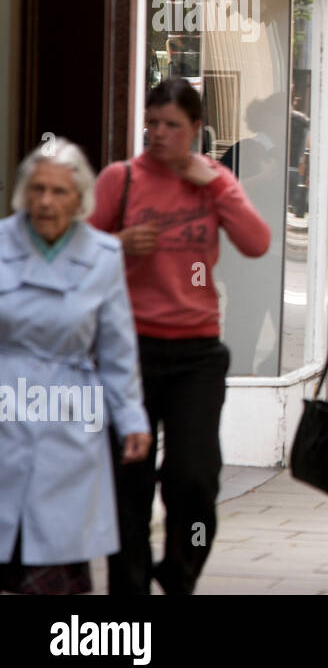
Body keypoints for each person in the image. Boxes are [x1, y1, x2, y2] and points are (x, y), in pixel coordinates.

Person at [89, 78, 271, 594]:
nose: (159, 134)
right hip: (130, 351)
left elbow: (257, 242)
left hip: (196, 352)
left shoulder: (212, 179)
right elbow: (78, 252)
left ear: (195, 129)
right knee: (130, 482)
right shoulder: (120, 180)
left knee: (194, 476)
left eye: (172, 125)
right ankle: (129, 590)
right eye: (152, 123)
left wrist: (213, 183)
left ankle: (179, 571)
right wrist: (118, 243)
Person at [0, 139, 152, 595]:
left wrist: (131, 419)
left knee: (58, 540)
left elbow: (117, 346)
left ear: (80, 199)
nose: (46, 202)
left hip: (70, 408)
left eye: (59, 192)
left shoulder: (102, 256)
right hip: (7, 399)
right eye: (38, 189)